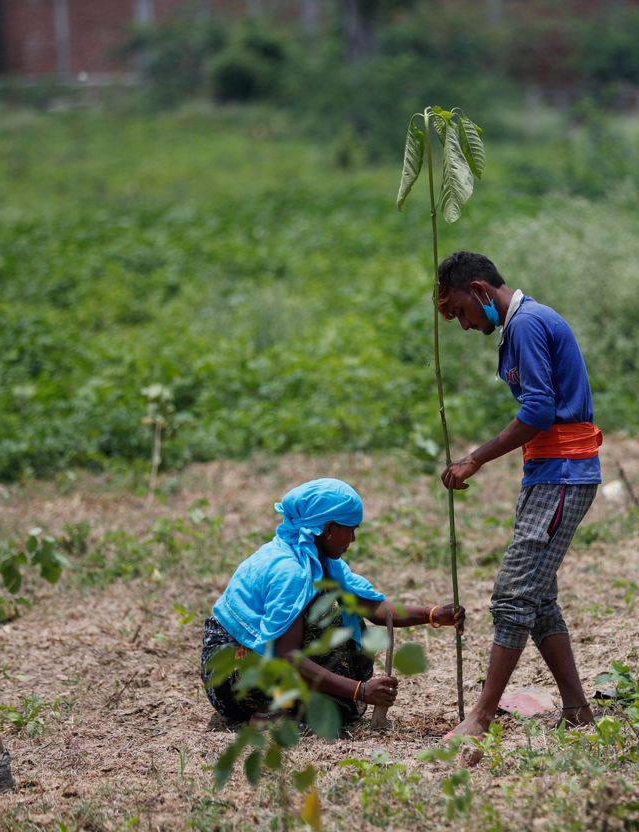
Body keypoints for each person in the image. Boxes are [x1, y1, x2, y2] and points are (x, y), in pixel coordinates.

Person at [435, 250, 603, 740]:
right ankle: (577, 711)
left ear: (481, 292)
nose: (464, 326)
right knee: (538, 598)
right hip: (547, 474)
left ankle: (480, 719)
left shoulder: (527, 324)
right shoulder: (517, 329)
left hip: (563, 475)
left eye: (461, 313)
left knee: (512, 596)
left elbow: (537, 412)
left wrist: (475, 458)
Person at [201, 478, 464, 728]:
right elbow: (286, 656)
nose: (353, 540)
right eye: (351, 530)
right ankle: (270, 709)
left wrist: (433, 615)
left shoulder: (316, 559)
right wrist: (360, 691)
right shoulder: (291, 572)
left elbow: (374, 609)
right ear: (328, 530)